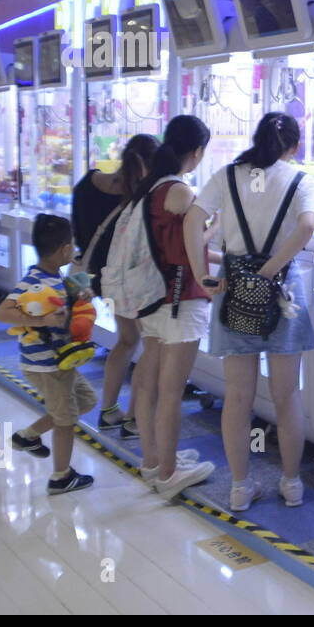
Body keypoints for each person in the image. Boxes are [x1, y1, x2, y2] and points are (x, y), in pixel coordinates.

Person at [187, 112, 314, 512]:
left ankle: (240, 487)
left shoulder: (227, 176)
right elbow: (309, 226)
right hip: (284, 293)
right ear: (293, 146)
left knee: (238, 396)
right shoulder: (300, 180)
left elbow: (192, 221)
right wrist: (271, 269)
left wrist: (200, 274)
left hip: (234, 286)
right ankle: (292, 483)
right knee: (286, 395)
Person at [129, 116, 218, 500]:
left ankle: (154, 460)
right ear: (196, 152)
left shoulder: (152, 186)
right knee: (171, 390)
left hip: (152, 298)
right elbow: (190, 245)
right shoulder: (180, 191)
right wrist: (217, 225)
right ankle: (168, 473)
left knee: (149, 383)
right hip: (181, 298)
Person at [0, 214, 98, 494]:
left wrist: (80, 297)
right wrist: (44, 320)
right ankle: (60, 477)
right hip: (46, 366)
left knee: (86, 400)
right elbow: (2, 313)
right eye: (72, 245)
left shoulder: (54, 277)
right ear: (65, 249)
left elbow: (60, 303)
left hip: (59, 363)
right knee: (66, 420)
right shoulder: (34, 282)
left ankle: (27, 436)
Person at [71, 134, 158, 437]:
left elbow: (78, 232)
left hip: (98, 278)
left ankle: (109, 410)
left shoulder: (87, 182)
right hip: (129, 281)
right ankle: (135, 417)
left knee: (127, 339)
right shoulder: (139, 198)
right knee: (152, 345)